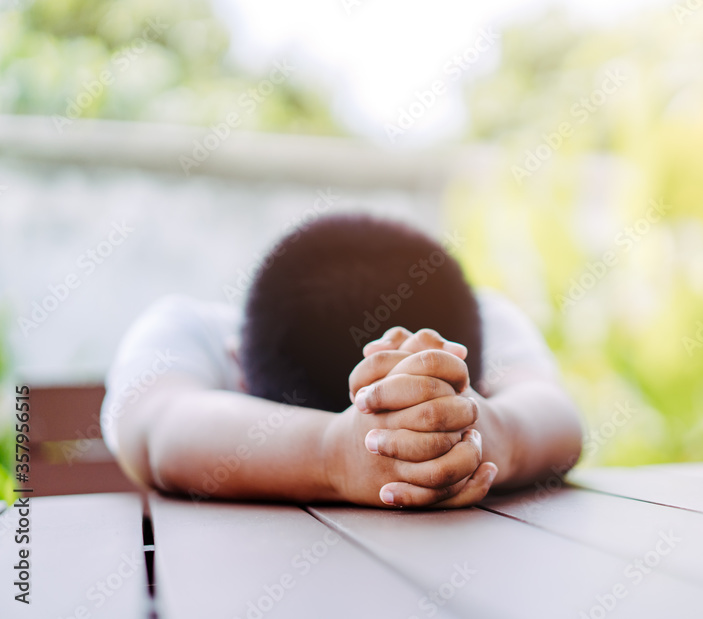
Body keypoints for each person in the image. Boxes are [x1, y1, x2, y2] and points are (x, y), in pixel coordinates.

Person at [100, 214, 583, 509]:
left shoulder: (483, 317)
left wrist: (476, 430)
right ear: (237, 367)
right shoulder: (186, 330)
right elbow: (158, 424)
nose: (396, 447)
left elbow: (554, 412)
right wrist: (334, 453)